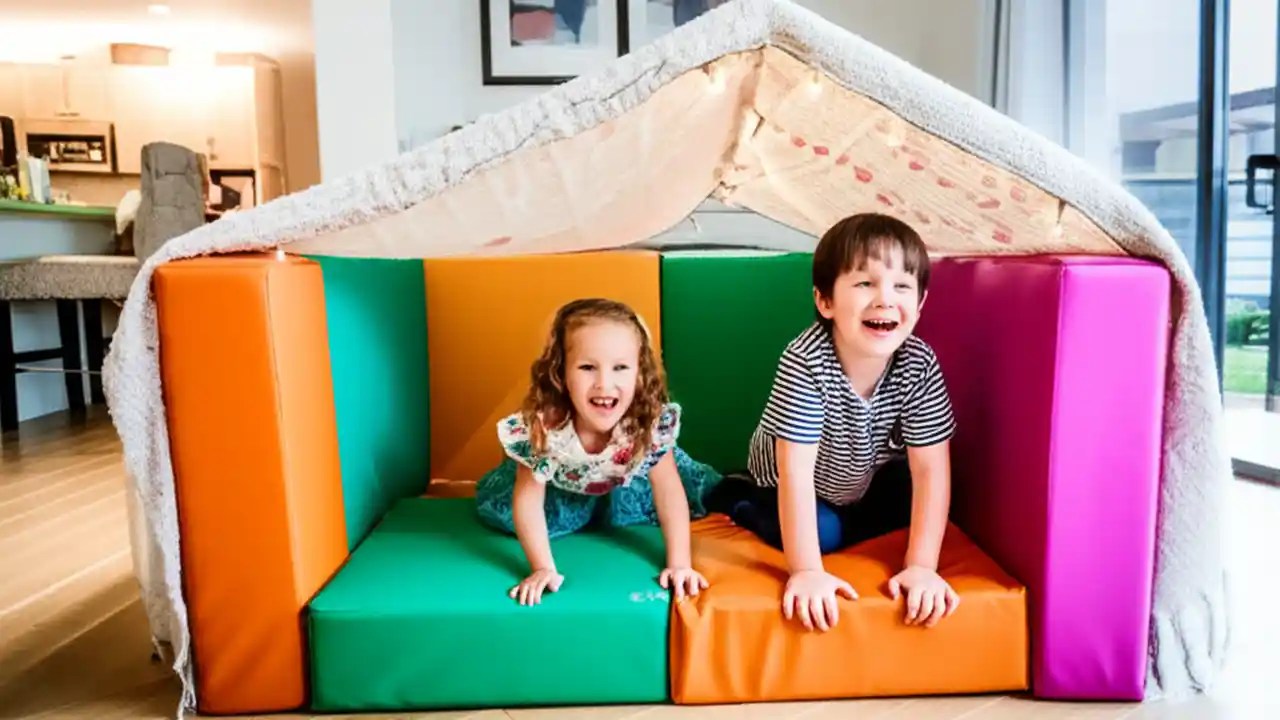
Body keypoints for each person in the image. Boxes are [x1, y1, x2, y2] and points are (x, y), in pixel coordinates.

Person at [706, 212, 961, 632]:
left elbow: (930, 468)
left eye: (901, 286)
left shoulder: (919, 363)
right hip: (786, 482)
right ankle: (735, 496)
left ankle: (851, 522)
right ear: (825, 302)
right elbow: (795, 472)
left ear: (919, 304)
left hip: (861, 479)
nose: (885, 299)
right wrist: (807, 572)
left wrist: (922, 567)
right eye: (865, 284)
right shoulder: (806, 361)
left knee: (915, 499)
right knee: (824, 534)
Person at [475, 298, 720, 606]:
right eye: (588, 367)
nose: (605, 384)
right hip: (560, 484)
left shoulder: (646, 423)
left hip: (621, 477)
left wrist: (680, 564)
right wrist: (542, 568)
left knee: (699, 489)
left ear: (639, 373)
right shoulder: (545, 426)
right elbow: (528, 500)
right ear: (561, 372)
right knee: (510, 518)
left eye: (620, 368)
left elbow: (669, 490)